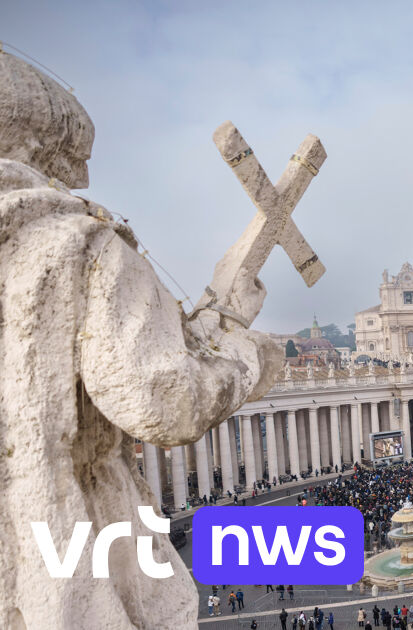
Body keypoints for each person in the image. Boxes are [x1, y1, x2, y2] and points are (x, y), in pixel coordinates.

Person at [0, 51, 282, 629]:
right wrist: (245, 353)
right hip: (61, 538)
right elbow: (165, 401)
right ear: (52, 145)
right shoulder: (73, 245)